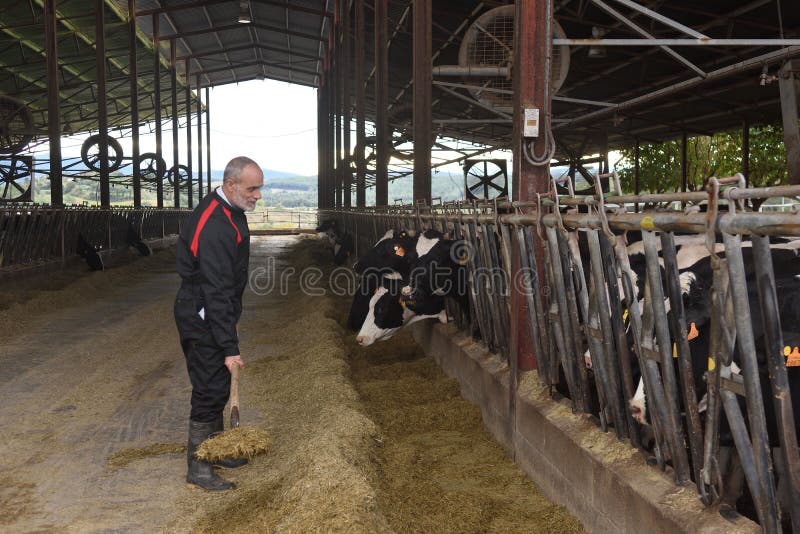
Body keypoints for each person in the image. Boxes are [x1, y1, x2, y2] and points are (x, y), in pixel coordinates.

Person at [174, 156, 263, 490]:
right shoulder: (215, 223)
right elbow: (215, 289)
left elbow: (225, 287)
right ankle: (198, 467)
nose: (257, 195)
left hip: (211, 307)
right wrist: (229, 347)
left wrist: (230, 323)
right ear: (231, 185)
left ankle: (214, 450)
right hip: (201, 311)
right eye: (252, 188)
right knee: (210, 388)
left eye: (259, 188)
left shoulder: (230, 211)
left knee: (216, 385)